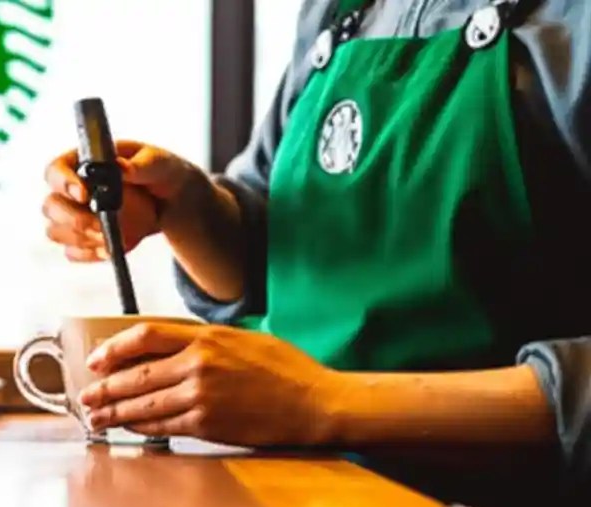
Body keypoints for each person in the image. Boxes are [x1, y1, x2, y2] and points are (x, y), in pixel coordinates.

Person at [41, 0, 591, 481]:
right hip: (309, 501)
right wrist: (184, 206)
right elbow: (276, 265)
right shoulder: (339, 13)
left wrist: (320, 401)